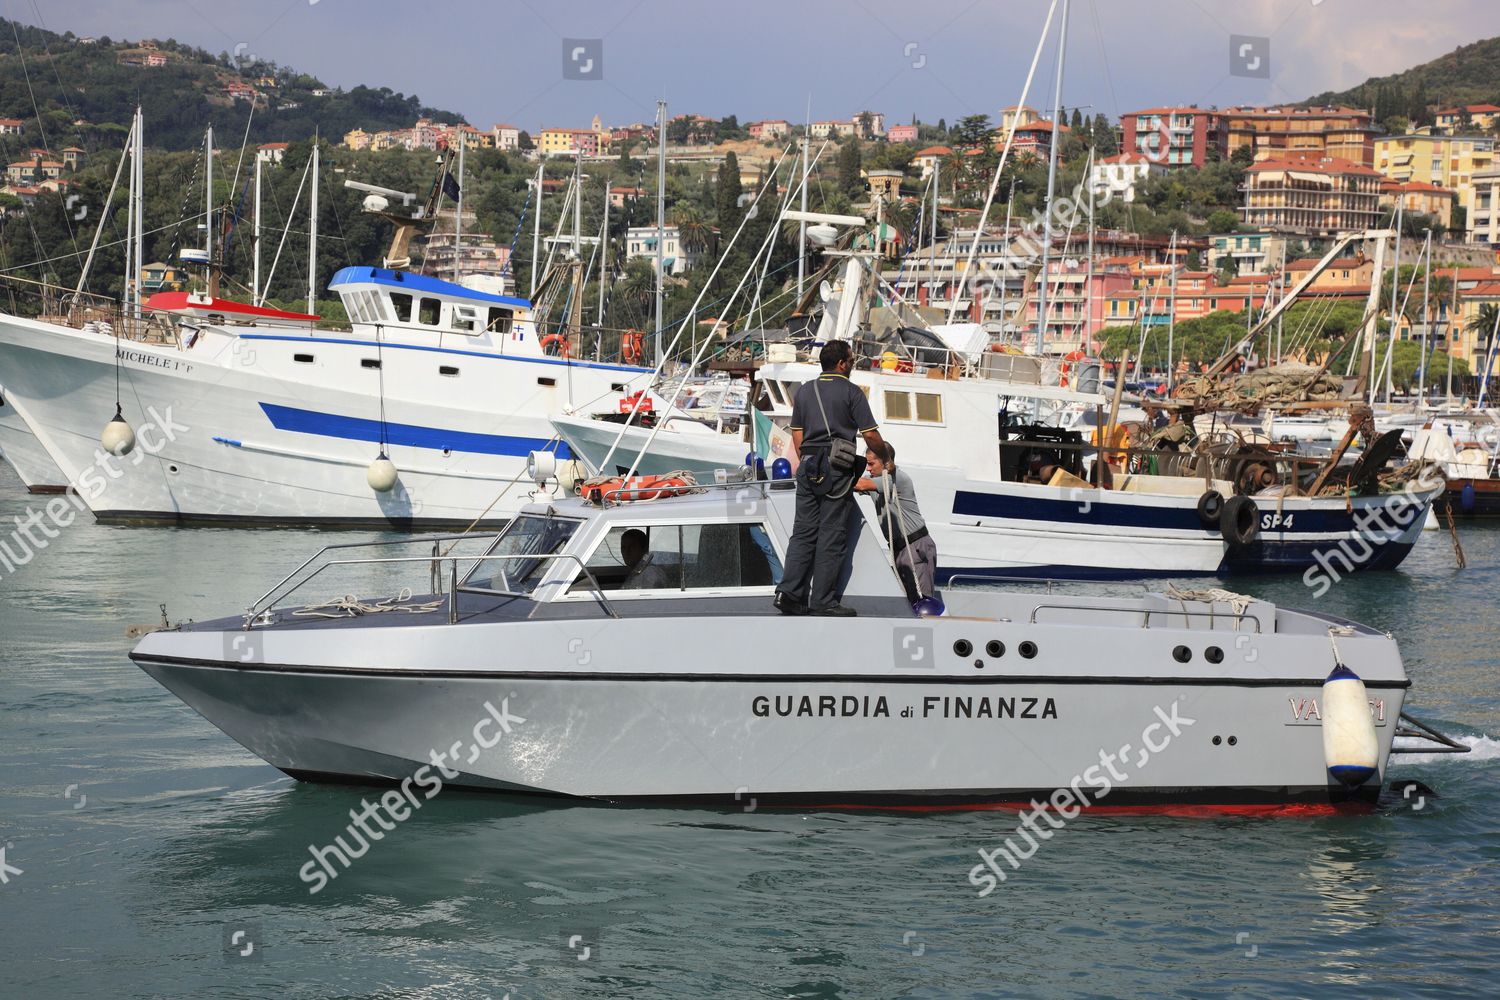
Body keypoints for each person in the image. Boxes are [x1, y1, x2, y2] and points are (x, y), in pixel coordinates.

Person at [774, 341, 887, 617]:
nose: (852, 364)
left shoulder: (804, 391)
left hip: (809, 464)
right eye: (851, 360)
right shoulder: (851, 392)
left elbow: (797, 435)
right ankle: (822, 600)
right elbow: (870, 436)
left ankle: (789, 594)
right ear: (842, 364)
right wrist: (885, 457)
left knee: (803, 532)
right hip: (836, 467)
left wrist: (809, 463)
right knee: (831, 534)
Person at [857, 442, 937, 605]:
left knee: (922, 603)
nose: (868, 469)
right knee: (907, 602)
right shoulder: (875, 479)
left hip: (914, 546)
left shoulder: (897, 478)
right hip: (899, 550)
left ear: (886, 462)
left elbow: (859, 484)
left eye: (871, 464)